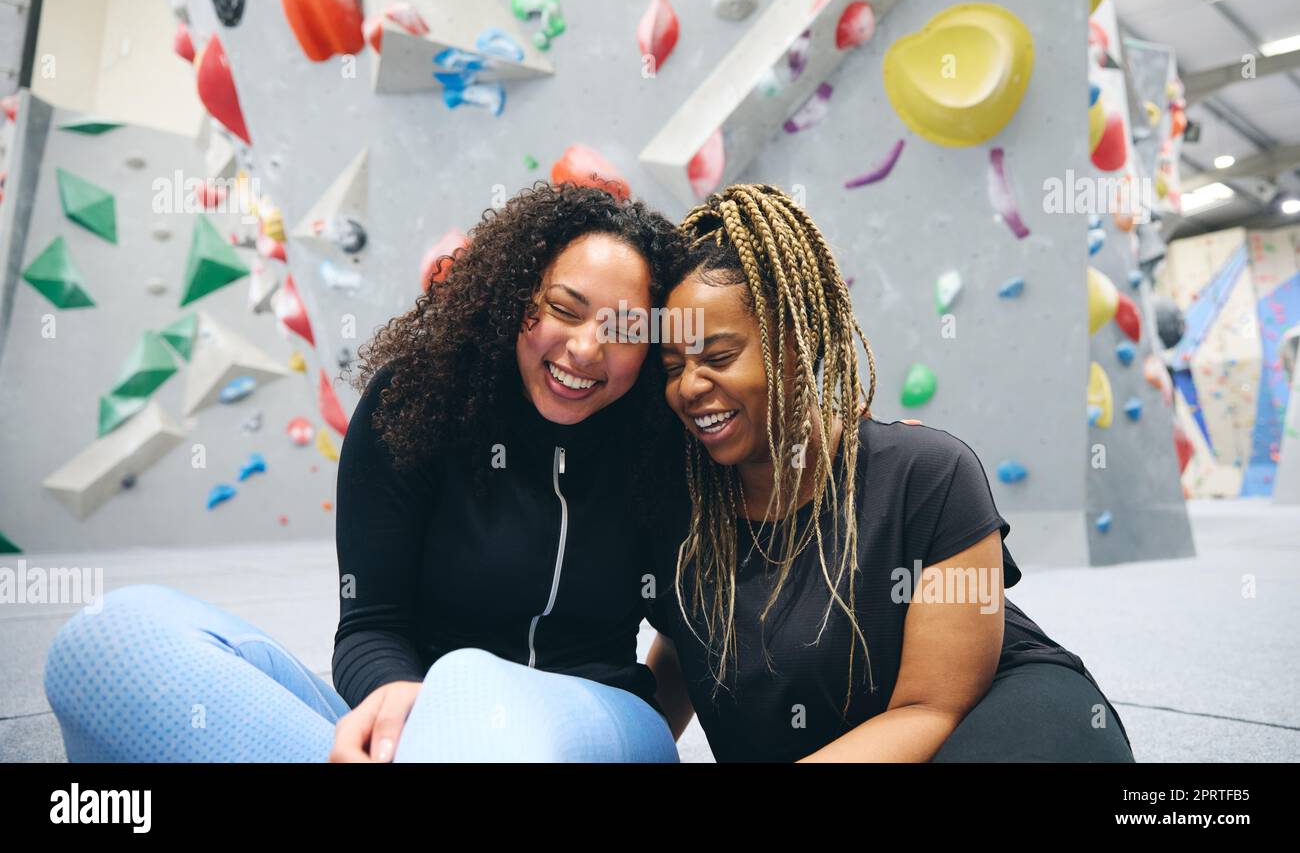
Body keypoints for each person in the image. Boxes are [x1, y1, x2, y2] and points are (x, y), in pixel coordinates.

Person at [42, 182, 684, 762]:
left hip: (601, 726)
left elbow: (703, 636)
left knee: (470, 683)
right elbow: (370, 625)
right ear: (516, 297)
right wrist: (392, 699)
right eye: (564, 309)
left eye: (622, 330)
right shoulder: (417, 402)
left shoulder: (665, 443)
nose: (585, 349)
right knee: (111, 641)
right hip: (419, 728)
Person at [644, 183, 1135, 762]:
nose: (690, 386)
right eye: (673, 367)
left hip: (988, 721)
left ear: (798, 346)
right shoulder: (681, 508)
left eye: (719, 357)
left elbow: (932, 707)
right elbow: (685, 646)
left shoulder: (928, 474)